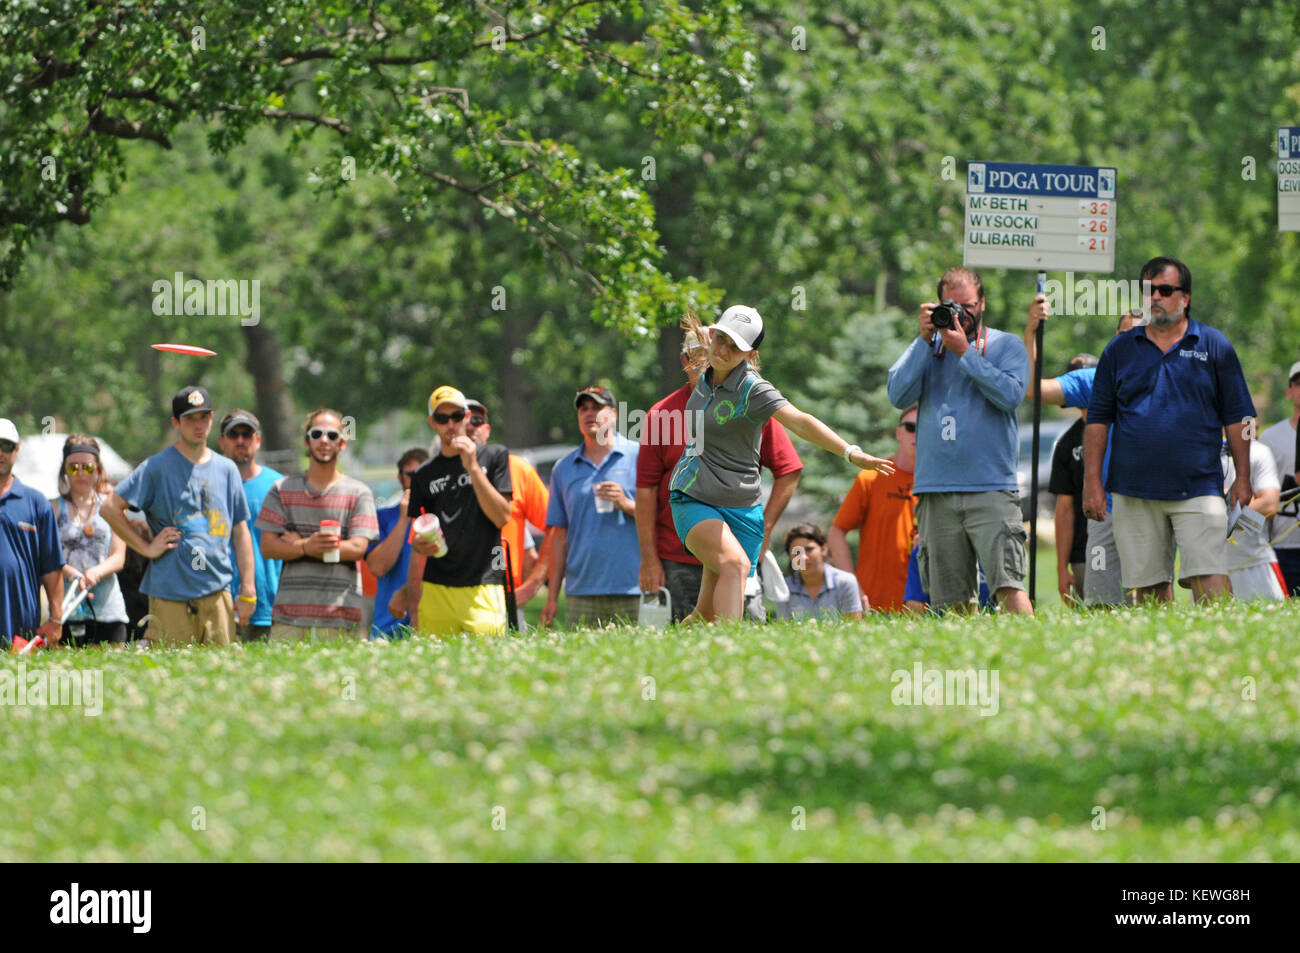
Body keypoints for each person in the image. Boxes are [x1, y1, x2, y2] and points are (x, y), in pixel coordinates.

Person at [670, 306, 894, 622]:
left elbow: (800, 421)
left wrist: (850, 452)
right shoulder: (706, 364)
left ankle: (674, 656)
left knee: (704, 615)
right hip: (693, 496)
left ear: (750, 354)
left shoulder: (753, 389)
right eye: (720, 339)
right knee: (734, 564)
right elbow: (704, 335)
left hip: (742, 509)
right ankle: (725, 656)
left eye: (735, 346)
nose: (722, 350)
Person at [1084, 256, 1256, 604]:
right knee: (1147, 589)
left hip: (1199, 487)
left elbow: (1242, 418)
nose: (1155, 298)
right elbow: (1097, 420)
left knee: (1210, 578)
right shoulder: (1119, 350)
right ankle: (1160, 653)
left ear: (1186, 297)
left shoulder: (1214, 345)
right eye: (1147, 291)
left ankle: (1218, 648)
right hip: (1133, 491)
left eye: (1164, 290)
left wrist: (1243, 475)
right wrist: (1092, 482)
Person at [887, 267, 1033, 614]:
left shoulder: (1004, 344)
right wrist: (923, 341)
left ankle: (1032, 655)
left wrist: (966, 353)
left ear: (982, 304)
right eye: (950, 305)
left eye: (967, 305)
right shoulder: (928, 349)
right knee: (950, 599)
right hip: (936, 490)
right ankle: (963, 663)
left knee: (1008, 586)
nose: (959, 313)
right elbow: (896, 393)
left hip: (990, 487)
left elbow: (1011, 395)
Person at [636, 330, 803, 623]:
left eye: (708, 353)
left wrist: (764, 531)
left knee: (727, 610)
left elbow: (788, 470)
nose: (703, 362)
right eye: (694, 356)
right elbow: (646, 489)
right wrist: (649, 558)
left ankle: (727, 653)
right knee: (693, 630)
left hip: (736, 537)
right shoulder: (661, 414)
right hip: (677, 555)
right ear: (683, 361)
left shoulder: (748, 400)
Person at [101, 387, 256, 646]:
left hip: (218, 593)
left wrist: (248, 588)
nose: (199, 425)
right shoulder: (156, 467)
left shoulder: (227, 469)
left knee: (224, 678)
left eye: (204, 417)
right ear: (176, 423)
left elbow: (240, 530)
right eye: (190, 419)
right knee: (169, 677)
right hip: (170, 596)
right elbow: (109, 508)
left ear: (212, 418)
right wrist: (146, 548)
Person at [1026, 305, 1143, 606]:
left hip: (1153, 505)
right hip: (1107, 512)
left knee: (1152, 598)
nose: (1129, 341)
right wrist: (1030, 334)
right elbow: (1032, 389)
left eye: (1139, 335)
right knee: (1102, 605)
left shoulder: (1170, 377)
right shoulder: (1096, 380)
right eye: (1122, 334)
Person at [256, 409, 379, 641]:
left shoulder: (359, 493)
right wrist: (306, 547)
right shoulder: (281, 489)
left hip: (341, 616)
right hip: (289, 616)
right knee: (281, 678)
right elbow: (268, 547)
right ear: (307, 441)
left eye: (332, 435)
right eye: (317, 434)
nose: (324, 440)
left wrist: (303, 546)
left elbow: (358, 548)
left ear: (342, 444)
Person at [406, 386, 513, 637]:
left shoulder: (494, 456)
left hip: (484, 584)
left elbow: (502, 516)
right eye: (442, 419)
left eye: (456, 416)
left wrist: (473, 467)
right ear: (433, 423)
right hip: (436, 586)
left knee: (490, 666)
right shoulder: (423, 475)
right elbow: (418, 537)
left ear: (466, 417)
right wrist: (420, 544)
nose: (450, 424)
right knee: (434, 668)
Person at [541, 386, 641, 628]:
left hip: (635, 587)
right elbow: (559, 537)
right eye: (583, 409)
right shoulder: (563, 468)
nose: (588, 414)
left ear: (614, 414)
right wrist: (552, 598)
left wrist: (626, 504)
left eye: (596, 407)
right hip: (581, 591)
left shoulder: (639, 456)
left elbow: (661, 518)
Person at [465, 398, 550, 625]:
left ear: (487, 429)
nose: (470, 425)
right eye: (461, 418)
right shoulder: (438, 473)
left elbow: (557, 527)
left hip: (504, 597)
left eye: (477, 419)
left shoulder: (518, 469)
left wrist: (532, 586)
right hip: (453, 595)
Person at [827, 405, 917, 612]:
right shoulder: (872, 477)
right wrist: (853, 587)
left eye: (924, 428)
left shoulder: (937, 483)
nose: (917, 434)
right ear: (898, 432)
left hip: (924, 606)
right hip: (873, 604)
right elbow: (837, 532)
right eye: (911, 427)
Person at [55, 434, 128, 647]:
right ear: (64, 471)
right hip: (66, 610)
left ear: (97, 469)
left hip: (108, 611)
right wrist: (69, 572)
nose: (80, 473)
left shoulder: (111, 506)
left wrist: (96, 572)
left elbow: (119, 557)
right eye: (72, 467)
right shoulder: (52, 508)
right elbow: (47, 556)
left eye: (86, 467)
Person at [217, 409, 283, 641]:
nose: (241, 440)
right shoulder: (210, 487)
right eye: (233, 435)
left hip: (272, 604)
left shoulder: (278, 486)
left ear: (258, 440)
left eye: (247, 434)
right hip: (221, 603)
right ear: (221, 442)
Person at [0, 417, 65, 646]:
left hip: (21, 633)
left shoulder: (36, 503)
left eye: (6, 446)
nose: (0, 452)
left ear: (17, 451)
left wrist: (56, 619)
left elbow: (52, 567)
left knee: (20, 682)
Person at [1045, 355, 1098, 604]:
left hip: (1125, 543)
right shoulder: (1067, 443)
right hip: (1083, 553)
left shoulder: (1125, 429)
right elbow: (1064, 509)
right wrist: (1061, 569)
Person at [364, 448, 428, 637]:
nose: (416, 480)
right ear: (400, 478)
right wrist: (404, 519)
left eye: (422, 474)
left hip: (430, 623)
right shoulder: (383, 518)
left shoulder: (440, 517)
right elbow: (377, 567)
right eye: (410, 475)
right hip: (389, 627)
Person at [1221, 430, 1285, 601]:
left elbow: (1269, 506)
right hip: (1211, 568)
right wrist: (1242, 505)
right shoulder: (1196, 451)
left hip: (1257, 562)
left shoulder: (1258, 451)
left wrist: (1219, 514)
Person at [1261, 361, 1300, 595]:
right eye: (1299, 383)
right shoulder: (1271, 438)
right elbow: (1263, 491)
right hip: (1284, 546)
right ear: (1289, 391)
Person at [774, 523, 863, 620]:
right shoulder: (783, 588)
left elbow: (853, 626)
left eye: (809, 549)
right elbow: (785, 629)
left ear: (824, 549)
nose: (803, 557)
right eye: (797, 552)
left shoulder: (846, 582)